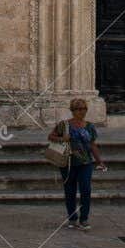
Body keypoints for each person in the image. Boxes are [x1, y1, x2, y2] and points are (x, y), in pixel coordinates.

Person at [48, 98, 105, 230]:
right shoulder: (64, 125)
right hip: (68, 162)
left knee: (86, 189)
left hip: (85, 162)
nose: (82, 112)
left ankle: (84, 218)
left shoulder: (90, 126)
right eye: (78, 109)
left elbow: (92, 144)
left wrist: (99, 161)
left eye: (84, 109)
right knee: (70, 191)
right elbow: (51, 136)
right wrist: (62, 138)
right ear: (72, 111)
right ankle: (72, 218)